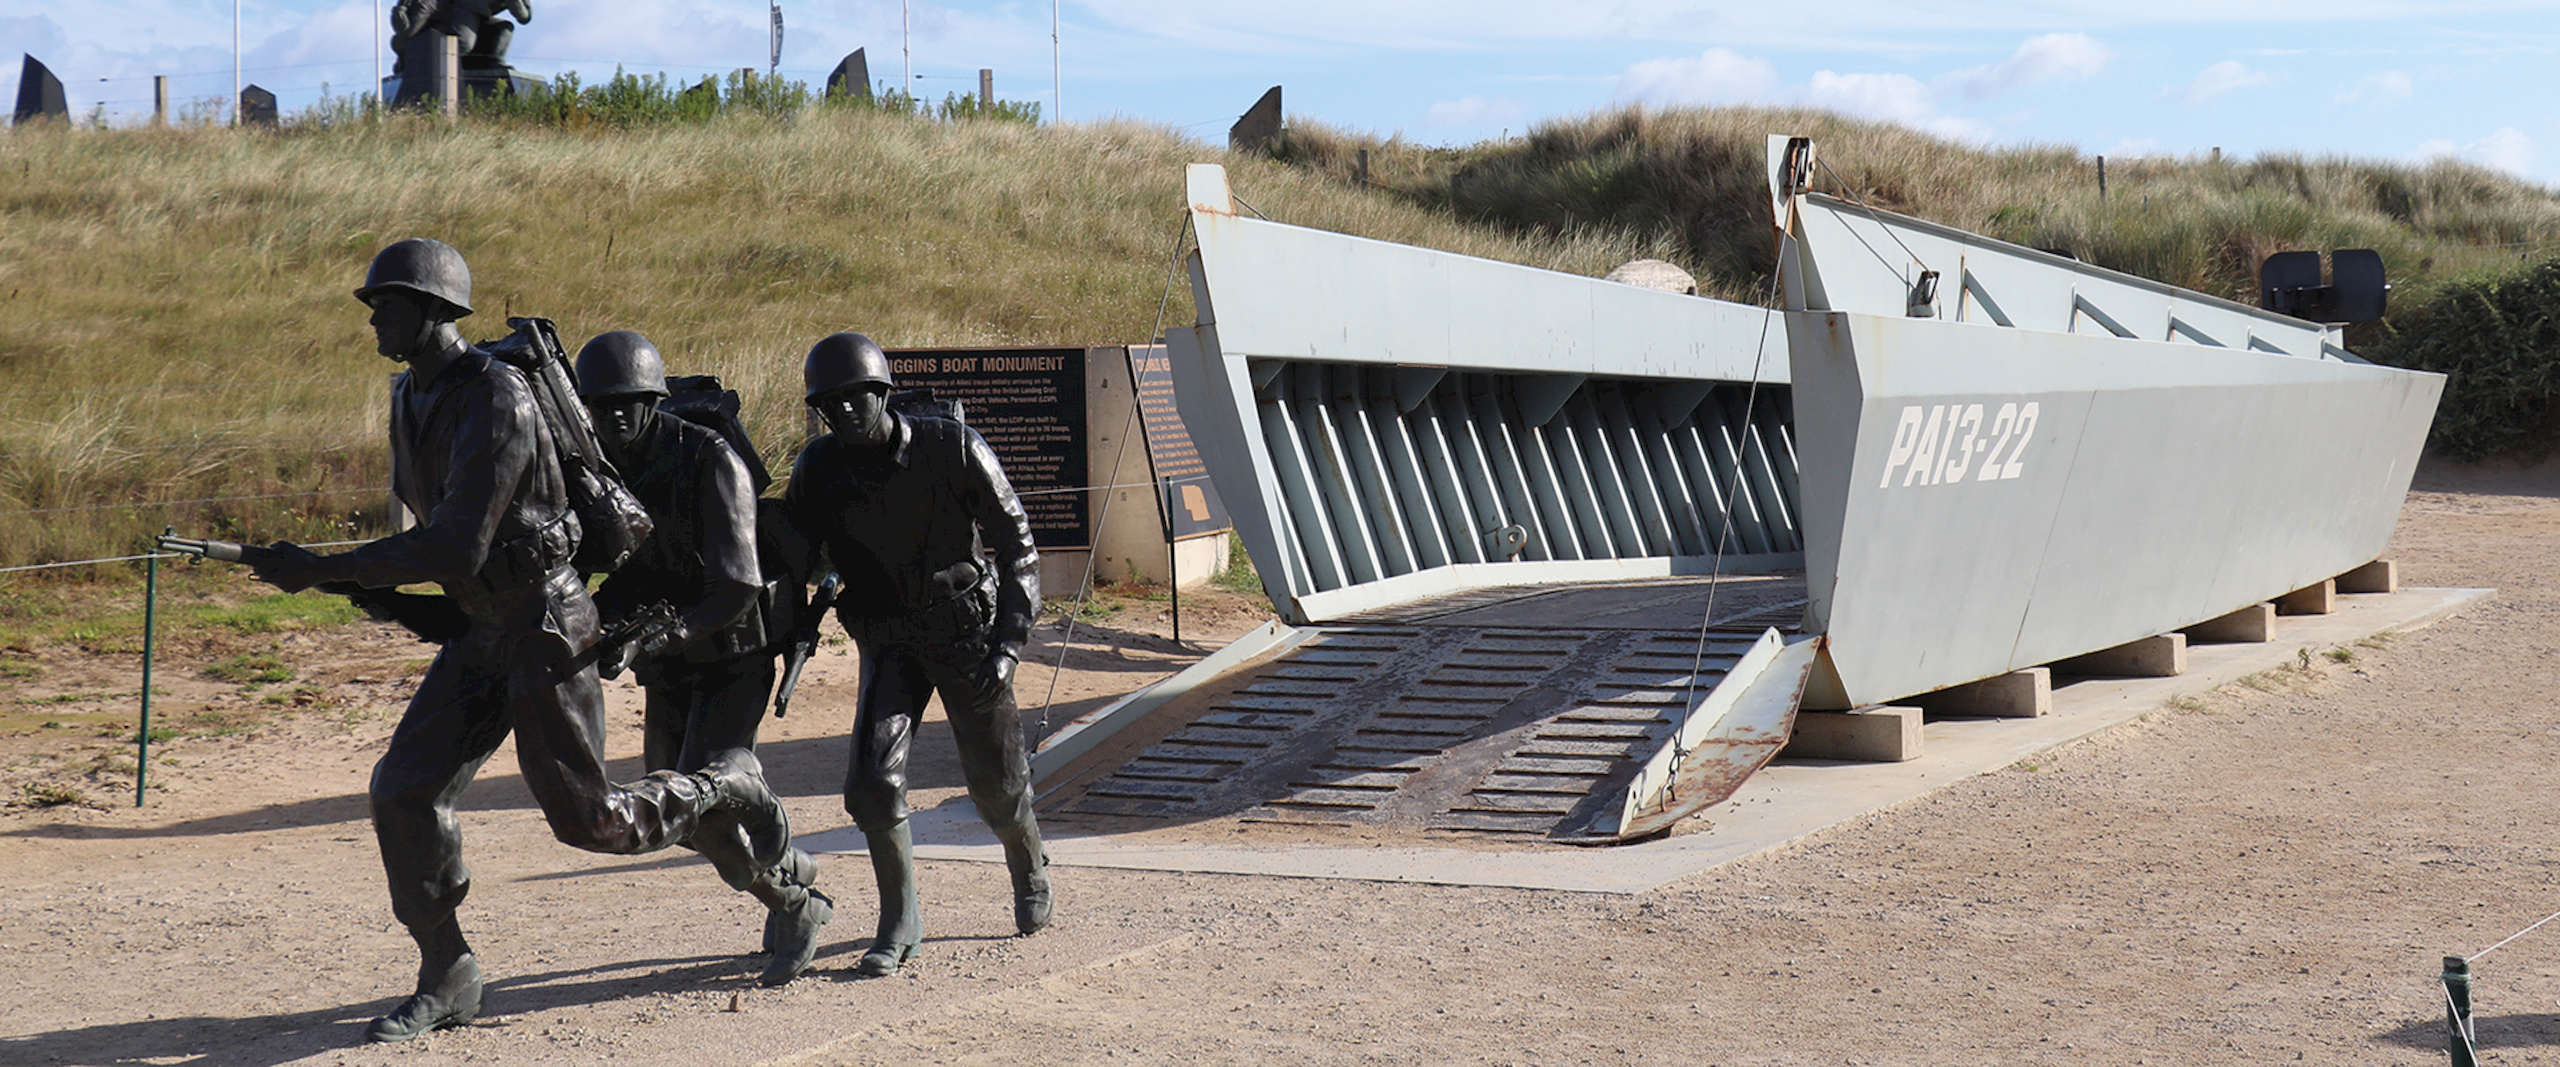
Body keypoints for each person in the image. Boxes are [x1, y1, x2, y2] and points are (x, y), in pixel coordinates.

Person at [246, 238, 788, 1042]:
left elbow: (455, 543)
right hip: (483, 625)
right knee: (403, 788)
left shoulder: (498, 396)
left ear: (433, 310)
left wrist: (326, 569)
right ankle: (449, 971)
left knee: (594, 822)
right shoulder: (407, 396)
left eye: (386, 303)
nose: (373, 318)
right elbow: (434, 535)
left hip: (543, 619)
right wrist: (352, 580)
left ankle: (724, 781)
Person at [784, 331, 1051, 978]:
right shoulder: (817, 468)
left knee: (996, 785)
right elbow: (794, 559)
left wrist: (1009, 648)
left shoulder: (950, 445)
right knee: (871, 783)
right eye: (831, 403)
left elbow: (1019, 549)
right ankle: (901, 917)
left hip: (966, 635)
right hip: (887, 638)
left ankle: (1027, 859)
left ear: (882, 393)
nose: (845, 412)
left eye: (857, 397)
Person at [574, 329, 831, 987]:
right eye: (602, 406)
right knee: (670, 816)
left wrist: (658, 634)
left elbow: (738, 583)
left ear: (655, 399)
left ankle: (795, 905)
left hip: (733, 651)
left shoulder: (709, 458)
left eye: (631, 402)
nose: (617, 418)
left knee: (701, 803)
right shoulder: (603, 464)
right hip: (668, 661)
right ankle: (790, 864)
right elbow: (615, 559)